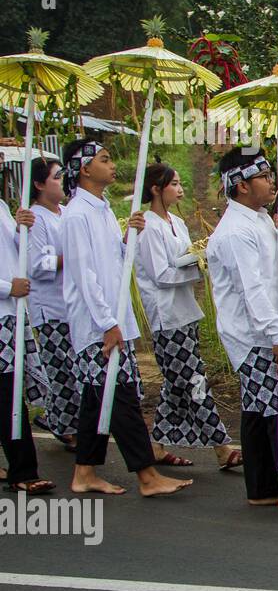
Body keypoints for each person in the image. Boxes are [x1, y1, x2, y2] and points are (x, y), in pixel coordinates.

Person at [60, 138, 191, 497]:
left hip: (112, 318)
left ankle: (84, 472)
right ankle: (147, 476)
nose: (112, 164)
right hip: (98, 322)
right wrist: (108, 323)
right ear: (84, 168)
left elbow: (112, 261)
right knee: (122, 397)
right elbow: (84, 276)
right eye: (104, 159)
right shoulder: (76, 215)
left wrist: (127, 237)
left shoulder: (99, 207)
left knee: (96, 398)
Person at [206, 148, 278, 515]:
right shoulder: (237, 231)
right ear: (241, 186)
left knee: (258, 410)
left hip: (264, 331)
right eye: (264, 176)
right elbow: (251, 289)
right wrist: (277, 335)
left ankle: (261, 487)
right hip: (257, 336)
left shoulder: (258, 220)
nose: (272, 182)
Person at [135, 163, 237, 469]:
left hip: (185, 312)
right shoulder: (149, 227)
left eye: (181, 183)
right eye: (174, 184)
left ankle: (155, 444)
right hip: (167, 316)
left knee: (177, 383)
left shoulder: (176, 222)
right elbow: (161, 274)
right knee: (194, 380)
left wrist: (197, 261)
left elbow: (185, 257)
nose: (180, 189)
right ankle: (221, 446)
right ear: (156, 188)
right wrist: (196, 269)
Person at [0, 194, 52, 493]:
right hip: (5, 309)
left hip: (12, 316)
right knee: (8, 393)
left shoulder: (3, 207)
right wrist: (8, 288)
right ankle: (23, 471)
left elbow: (17, 257)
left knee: (8, 389)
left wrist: (23, 231)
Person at [28, 158, 78, 453]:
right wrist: (72, 255)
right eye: (57, 177)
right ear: (39, 184)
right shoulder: (37, 219)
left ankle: (63, 421)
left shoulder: (66, 213)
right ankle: (65, 425)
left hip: (71, 304)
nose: (62, 181)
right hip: (50, 308)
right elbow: (40, 265)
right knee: (63, 371)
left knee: (73, 369)